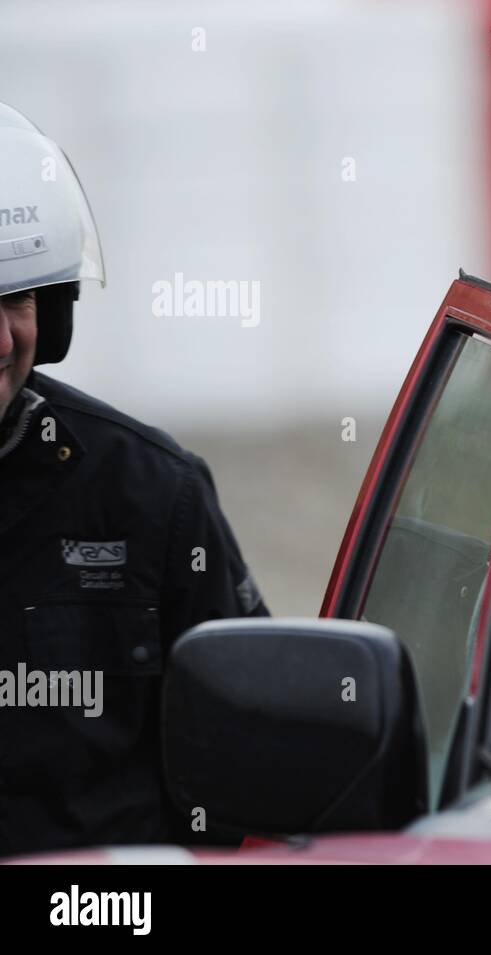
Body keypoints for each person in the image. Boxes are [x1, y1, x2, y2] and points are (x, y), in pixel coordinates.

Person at [0, 102, 268, 856]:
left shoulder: (151, 494)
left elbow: (262, 741)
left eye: (16, 299)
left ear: (52, 314)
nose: (1, 339)